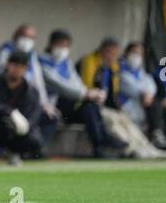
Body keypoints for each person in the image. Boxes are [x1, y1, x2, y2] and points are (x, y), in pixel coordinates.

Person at [38, 29, 122, 158]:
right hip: (49, 107)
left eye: (66, 46)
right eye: (60, 45)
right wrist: (86, 93)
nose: (63, 49)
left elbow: (76, 83)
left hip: (65, 108)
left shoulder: (66, 63)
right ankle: (102, 142)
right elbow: (61, 86)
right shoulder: (41, 62)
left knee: (90, 105)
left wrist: (89, 94)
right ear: (51, 45)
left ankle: (101, 144)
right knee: (88, 101)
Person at [0, 51, 46, 165]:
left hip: (16, 131)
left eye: (21, 66)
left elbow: (34, 114)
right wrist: (10, 112)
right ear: (7, 65)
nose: (17, 69)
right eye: (14, 65)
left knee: (34, 138)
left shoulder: (31, 91)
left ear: (26, 68)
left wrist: (25, 123)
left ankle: (15, 153)